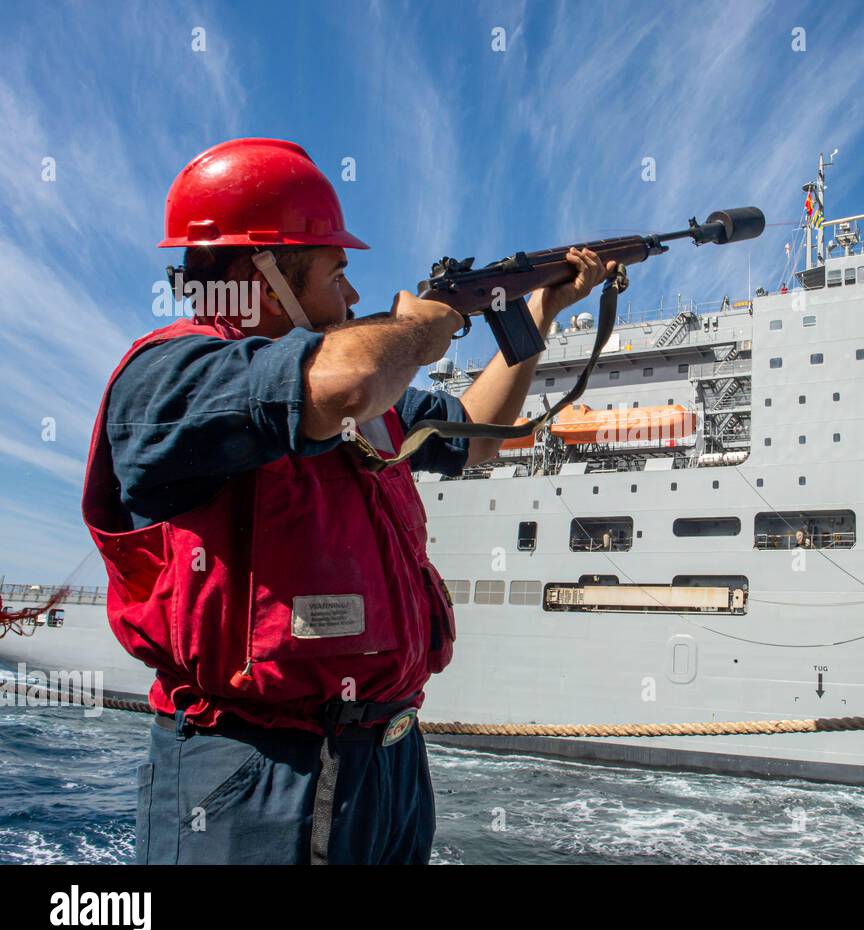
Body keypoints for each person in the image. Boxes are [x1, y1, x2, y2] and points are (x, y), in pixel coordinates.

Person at [82, 138, 614, 864]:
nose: (354, 298)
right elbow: (344, 377)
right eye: (338, 274)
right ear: (265, 276)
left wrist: (543, 312)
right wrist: (433, 319)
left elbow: (480, 435)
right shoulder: (170, 376)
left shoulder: (367, 406)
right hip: (255, 772)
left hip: (386, 760)